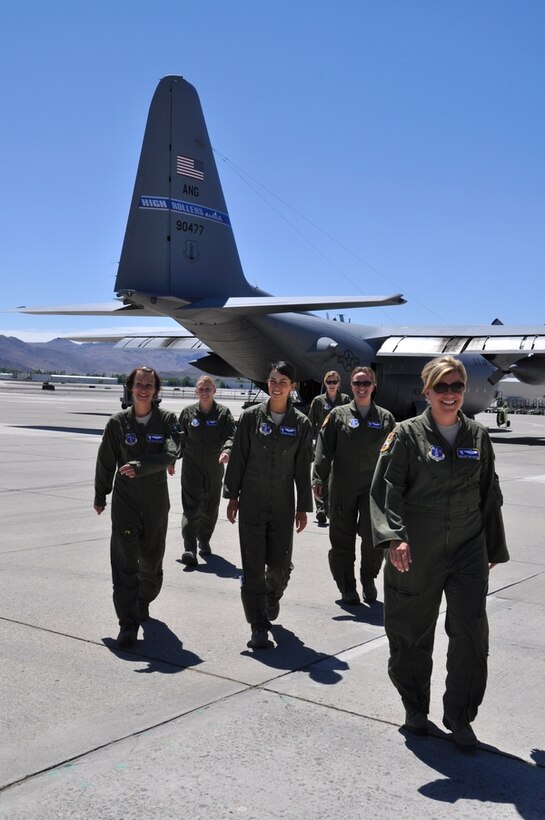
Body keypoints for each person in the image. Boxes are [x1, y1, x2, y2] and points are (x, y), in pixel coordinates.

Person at [370, 355, 509, 750]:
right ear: (426, 391)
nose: (450, 395)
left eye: (457, 387)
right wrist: (394, 538)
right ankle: (416, 710)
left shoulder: (478, 437)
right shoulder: (405, 434)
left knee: (470, 635)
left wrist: (493, 547)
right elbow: (386, 490)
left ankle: (460, 717)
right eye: (442, 387)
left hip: (467, 548)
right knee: (411, 632)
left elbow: (488, 495)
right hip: (415, 548)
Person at [224, 361, 313, 649]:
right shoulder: (250, 418)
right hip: (251, 501)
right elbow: (238, 457)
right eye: (273, 380)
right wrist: (232, 496)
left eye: (283, 382)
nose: (276, 386)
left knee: (278, 564)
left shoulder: (301, 423)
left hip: (284, 506)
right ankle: (258, 626)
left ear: (293, 387)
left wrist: (303, 507)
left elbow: (302, 469)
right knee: (252, 568)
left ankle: (273, 594)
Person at [94, 366, 180, 648]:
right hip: (126, 502)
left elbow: (171, 452)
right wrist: (100, 494)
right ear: (130, 387)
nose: (144, 389)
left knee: (152, 565)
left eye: (149, 384)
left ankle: (143, 602)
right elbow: (106, 460)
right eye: (139, 384)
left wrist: (141, 466)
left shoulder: (168, 420)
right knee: (124, 565)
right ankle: (127, 624)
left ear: (156, 390)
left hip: (156, 503)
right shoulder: (117, 423)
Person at [312, 366, 395, 605]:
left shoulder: (386, 418)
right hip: (342, 486)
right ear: (351, 386)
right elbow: (324, 449)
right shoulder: (338, 415)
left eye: (366, 383)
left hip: (373, 489)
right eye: (357, 383)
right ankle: (347, 586)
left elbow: (394, 455)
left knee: (373, 539)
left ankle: (368, 578)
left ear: (373, 386)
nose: (361, 387)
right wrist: (318, 478)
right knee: (341, 539)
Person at [177, 375, 236, 567]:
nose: (205, 392)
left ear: (214, 391)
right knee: (191, 508)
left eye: (208, 388)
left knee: (210, 508)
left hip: (214, 465)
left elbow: (231, 436)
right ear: (196, 391)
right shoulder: (187, 413)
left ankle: (204, 539)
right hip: (191, 466)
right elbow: (179, 440)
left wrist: (227, 451)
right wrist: (171, 460)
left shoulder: (223, 413)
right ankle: (189, 548)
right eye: (201, 389)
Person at [308, 370, 350, 525]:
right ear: (325, 383)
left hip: (339, 443)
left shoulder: (345, 399)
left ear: (339, 383)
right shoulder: (318, 401)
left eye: (334, 382)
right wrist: (309, 444)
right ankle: (320, 509)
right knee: (319, 474)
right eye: (329, 382)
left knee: (335, 475)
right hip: (322, 443)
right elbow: (311, 423)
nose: (332, 385)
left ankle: (330, 506)